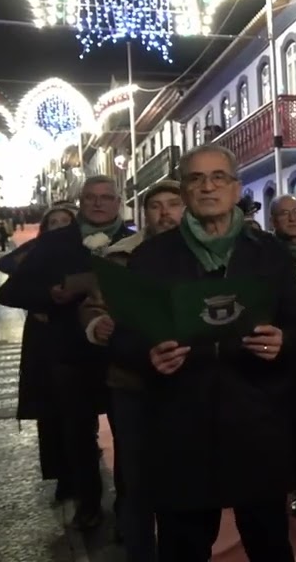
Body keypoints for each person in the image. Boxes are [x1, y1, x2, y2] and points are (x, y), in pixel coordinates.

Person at [108, 145, 296, 562]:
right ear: (186, 190)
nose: (208, 186)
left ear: (235, 189)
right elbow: (123, 337)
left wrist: (286, 342)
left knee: (270, 546)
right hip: (181, 429)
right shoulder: (151, 258)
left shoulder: (270, 254)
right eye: (196, 179)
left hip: (257, 425)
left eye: (219, 177)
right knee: (183, 549)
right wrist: (148, 354)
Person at [0, 177, 133, 528]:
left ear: (118, 203)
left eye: (106, 198)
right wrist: (51, 294)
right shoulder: (55, 243)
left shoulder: (135, 242)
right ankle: (88, 503)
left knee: (128, 434)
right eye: (91, 198)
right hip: (70, 355)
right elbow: (9, 293)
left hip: (122, 353)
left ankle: (127, 508)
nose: (99, 204)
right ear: (81, 202)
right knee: (76, 434)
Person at [82, 179, 184, 558]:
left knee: (180, 475)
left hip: (186, 382)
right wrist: (97, 324)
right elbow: (94, 304)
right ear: (144, 213)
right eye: (156, 206)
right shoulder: (119, 257)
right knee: (136, 476)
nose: (165, 213)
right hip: (131, 384)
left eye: (173, 204)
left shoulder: (201, 252)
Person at [8, 206, 77, 500]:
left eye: (66, 221)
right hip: (44, 342)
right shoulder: (36, 254)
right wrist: (43, 301)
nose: (60, 226)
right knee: (50, 408)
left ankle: (81, 472)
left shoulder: (84, 252)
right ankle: (61, 473)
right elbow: (8, 276)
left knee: (78, 412)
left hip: (77, 339)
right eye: (54, 222)